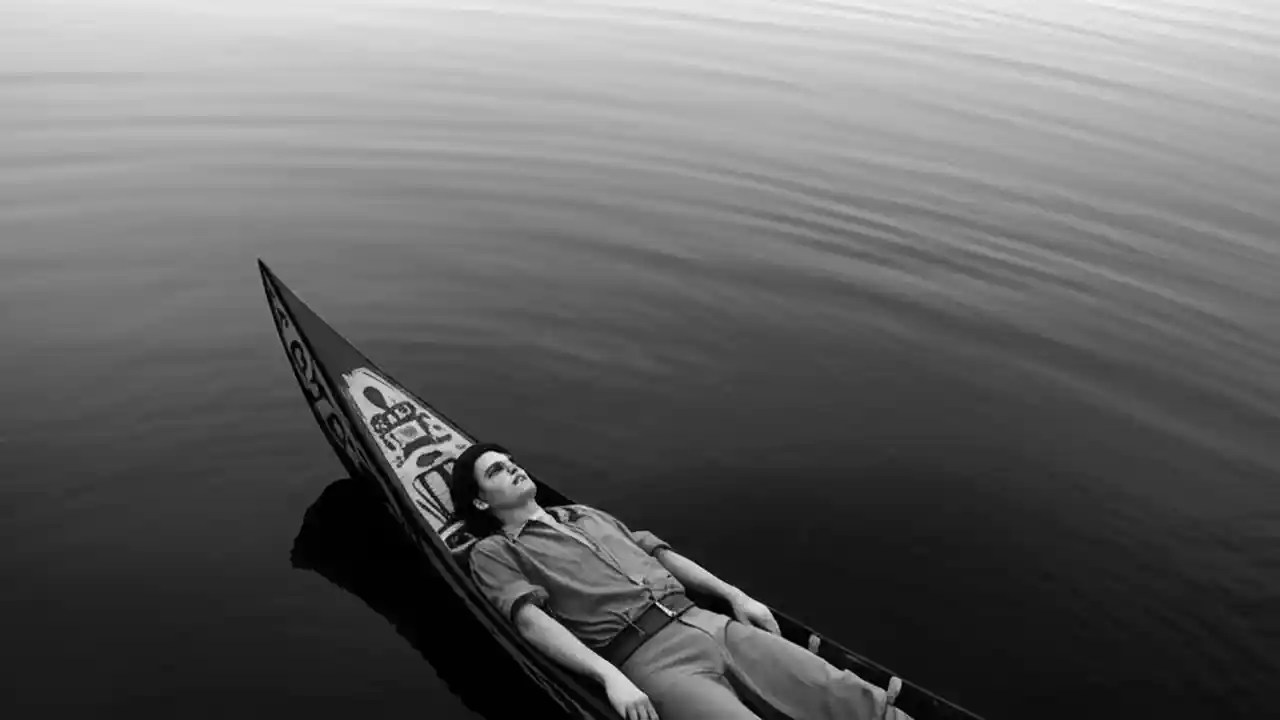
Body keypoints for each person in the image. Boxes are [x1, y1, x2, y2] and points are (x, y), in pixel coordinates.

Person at [450, 442, 909, 720]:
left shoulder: (584, 515)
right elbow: (529, 623)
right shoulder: (496, 551)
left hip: (709, 622)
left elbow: (658, 552)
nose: (512, 467)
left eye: (510, 460)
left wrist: (736, 596)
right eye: (496, 470)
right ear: (482, 503)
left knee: (848, 695)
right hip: (651, 661)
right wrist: (612, 679)